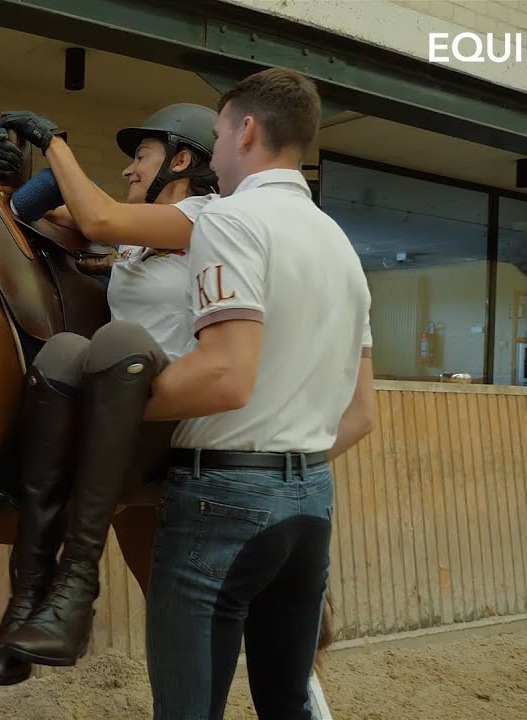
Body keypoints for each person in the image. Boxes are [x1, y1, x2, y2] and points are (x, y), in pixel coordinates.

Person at [138, 67, 378, 719]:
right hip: (309, 506)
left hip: (222, 499)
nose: (213, 155)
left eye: (217, 134)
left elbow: (224, 374)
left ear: (246, 130)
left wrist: (120, 399)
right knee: (287, 705)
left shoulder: (230, 219)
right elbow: (360, 415)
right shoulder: (342, 248)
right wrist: (287, 464)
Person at [0, 102, 220, 686]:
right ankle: (29, 600)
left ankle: (77, 583)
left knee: (117, 338)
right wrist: (7, 175)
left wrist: (53, 143)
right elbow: (28, 214)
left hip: (169, 417)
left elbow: (98, 218)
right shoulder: (137, 235)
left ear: (181, 160)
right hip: (116, 408)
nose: (130, 170)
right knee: (60, 351)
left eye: (142, 156)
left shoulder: (208, 217)